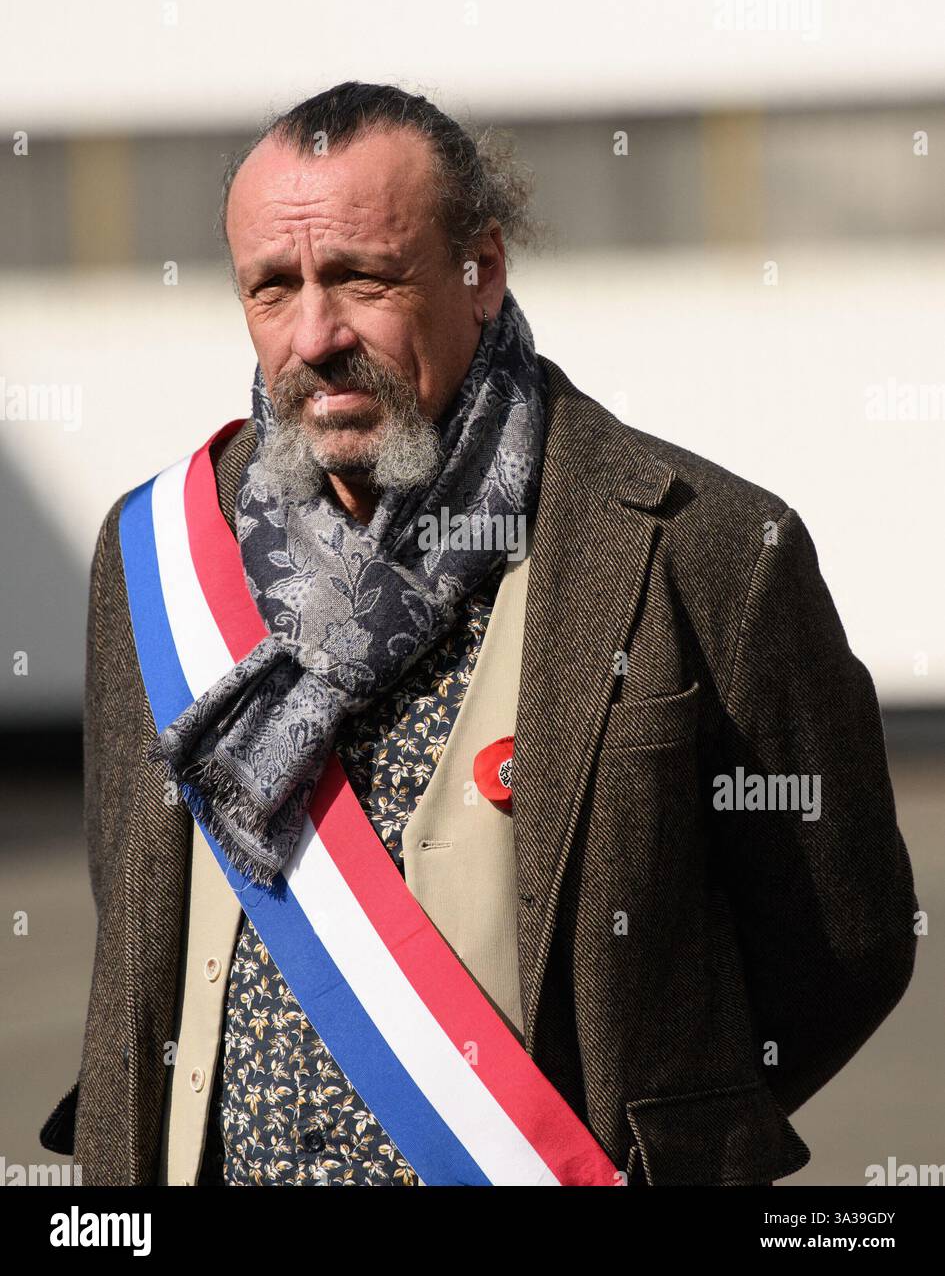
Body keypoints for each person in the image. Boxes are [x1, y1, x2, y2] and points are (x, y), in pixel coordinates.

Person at [41, 81, 917, 1187]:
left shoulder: (707, 549)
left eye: (363, 277)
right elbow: (134, 915)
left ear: (481, 270)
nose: (315, 336)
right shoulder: (153, 554)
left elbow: (844, 943)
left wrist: (669, 1128)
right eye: (274, 288)